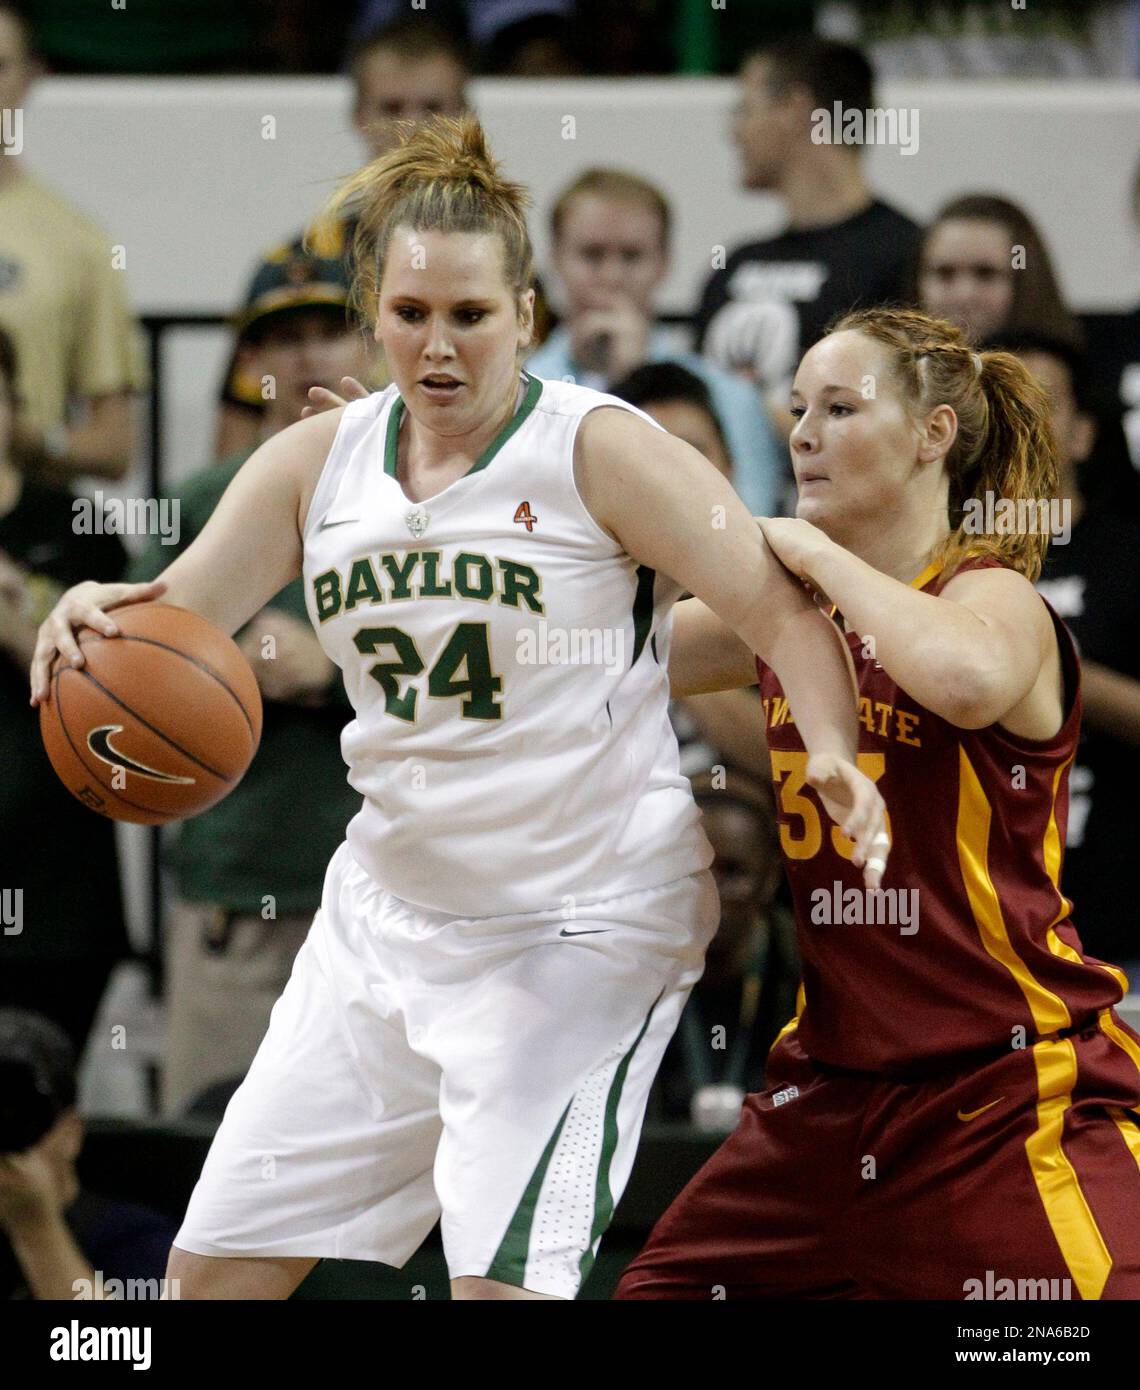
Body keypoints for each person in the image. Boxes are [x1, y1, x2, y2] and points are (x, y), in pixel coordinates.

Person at [29, 113, 887, 1302]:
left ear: (526, 315)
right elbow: (170, 628)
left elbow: (781, 611)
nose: (441, 345)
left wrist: (835, 755)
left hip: (578, 922)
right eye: (413, 314)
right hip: (388, 916)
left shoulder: (598, 450)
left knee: (498, 1287)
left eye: (472, 315)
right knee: (207, 1283)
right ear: (376, 312)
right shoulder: (315, 463)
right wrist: (87, 622)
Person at [616, 305, 1140, 1300]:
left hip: (1001, 1089)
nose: (803, 433)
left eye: (841, 408)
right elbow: (586, 662)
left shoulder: (995, 598)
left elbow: (965, 678)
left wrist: (806, 556)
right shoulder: (783, 617)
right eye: (800, 408)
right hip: (830, 1094)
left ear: (932, 436)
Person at [129, 250, 373, 1118]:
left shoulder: (422, 498)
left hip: (390, 887)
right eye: (282, 339)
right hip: (238, 888)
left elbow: (489, 667)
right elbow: (129, 667)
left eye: (328, 330)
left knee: (387, 1176)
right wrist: (216, 662)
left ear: (371, 340)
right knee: (211, 1144)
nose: (307, 357)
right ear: (251, 365)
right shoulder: (198, 503)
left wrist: (334, 671)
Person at [693, 37, 923, 473]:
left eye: (745, 108)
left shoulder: (906, 254)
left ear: (795, 108)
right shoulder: (734, 264)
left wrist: (761, 412)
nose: (734, 131)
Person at [0, 323, 129, 1056]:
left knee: (38, 1127)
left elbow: (121, 699)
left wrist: (17, 620)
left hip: (55, 900)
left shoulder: (75, 526)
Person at [527, 168, 784, 515]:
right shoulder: (517, 387)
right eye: (592, 254)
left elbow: (753, 521)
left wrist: (638, 380)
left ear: (664, 262)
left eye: (632, 256)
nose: (611, 276)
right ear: (555, 258)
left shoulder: (729, 394)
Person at [1011, 331, 1140, 976]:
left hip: (1118, 919)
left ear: (1084, 434)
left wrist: (1044, 668)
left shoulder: (1130, 556)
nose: (1021, 418)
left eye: (1041, 401)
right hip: (986, 937)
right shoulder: (933, 563)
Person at [0, 2, 146, 480]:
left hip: (23, 526)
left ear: (30, 77)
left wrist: (30, 439)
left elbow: (114, 445)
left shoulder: (76, 240)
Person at [648, 769, 797, 1131]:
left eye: (732, 872)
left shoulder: (811, 976)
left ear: (770, 877)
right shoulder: (631, 975)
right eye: (696, 871)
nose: (711, 894)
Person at [0, 1010, 177, 1300]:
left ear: (70, 1132)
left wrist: (33, 1227)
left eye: (17, 1116)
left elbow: (125, 1344)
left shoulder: (136, 1240)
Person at [916, 193, 1083, 351]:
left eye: (986, 274)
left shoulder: (1044, 375)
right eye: (944, 273)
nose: (963, 295)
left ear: (1026, 281)